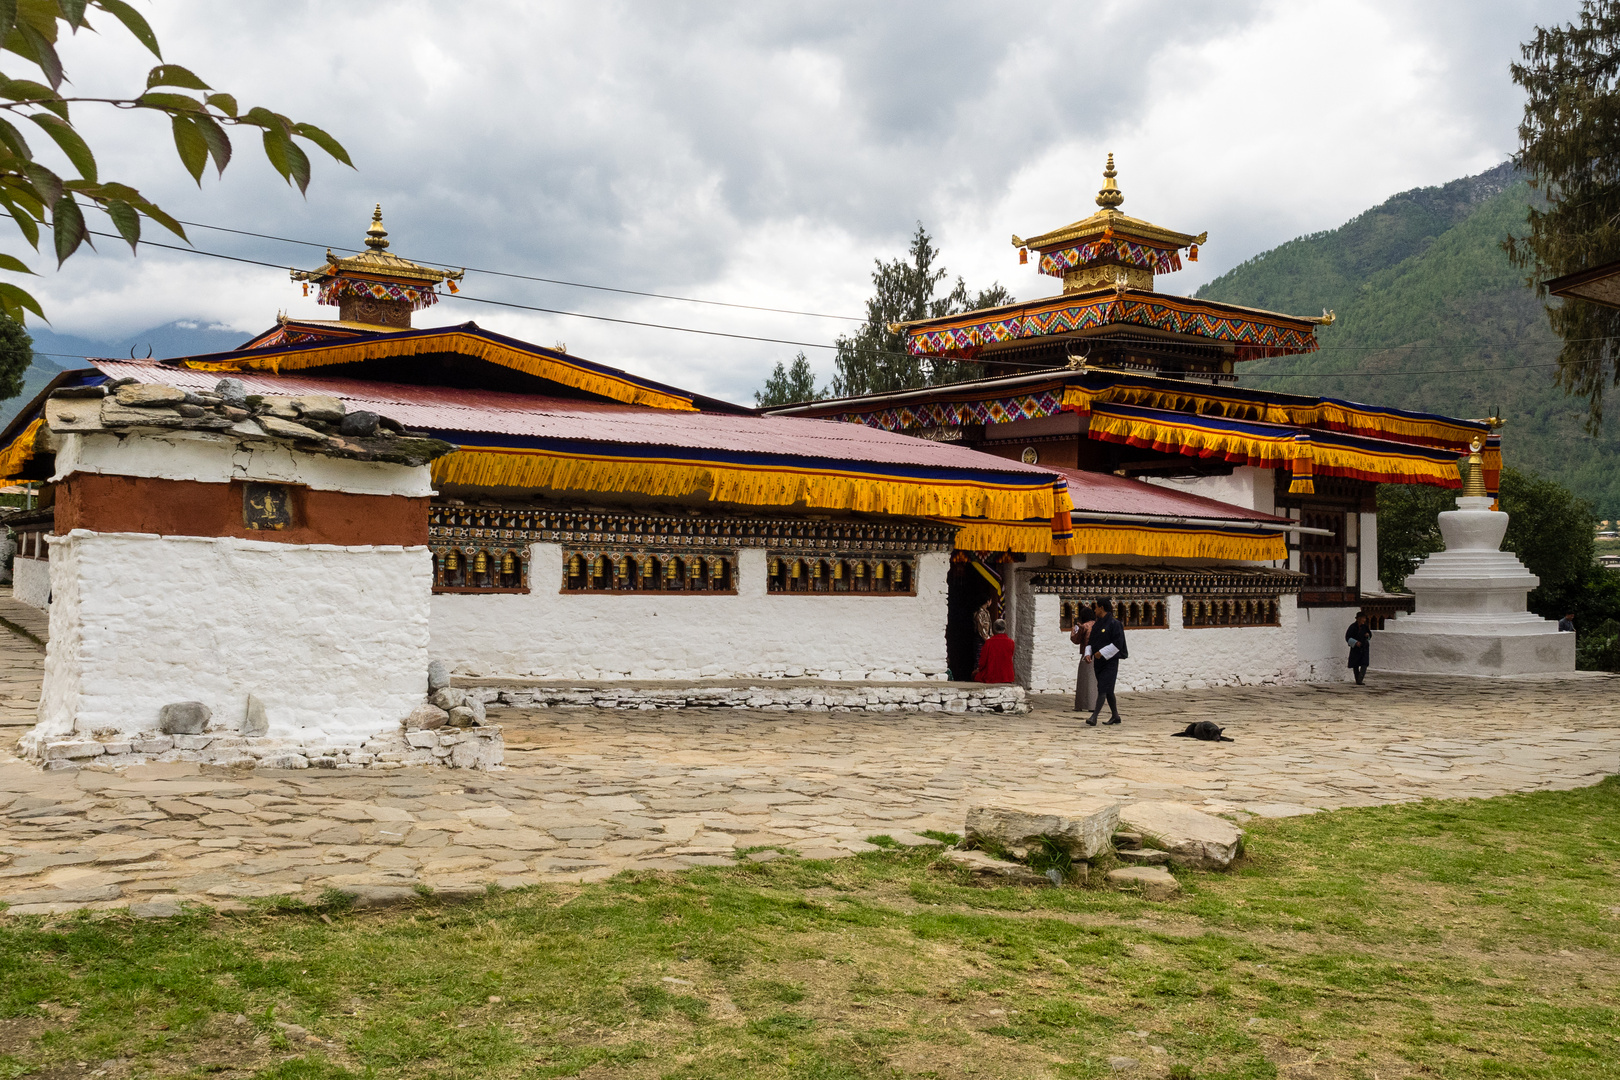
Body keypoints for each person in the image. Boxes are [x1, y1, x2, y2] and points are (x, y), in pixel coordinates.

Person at [1085, 598, 1127, 726]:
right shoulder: (1097, 624)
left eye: (1096, 607)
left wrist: (1102, 652)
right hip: (1098, 662)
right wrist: (1088, 653)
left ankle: (1094, 716)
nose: (1095, 610)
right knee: (1108, 690)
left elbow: (1118, 644)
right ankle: (1115, 716)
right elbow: (1091, 642)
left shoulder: (1115, 624)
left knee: (1103, 688)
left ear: (1102, 608)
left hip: (1110, 662)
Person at [1070, 609, 1097, 713]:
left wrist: (1077, 628)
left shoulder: (1084, 626)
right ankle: (1093, 704)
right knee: (1093, 681)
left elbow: (1075, 640)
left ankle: (1082, 704)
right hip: (1098, 654)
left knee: (1084, 680)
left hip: (1086, 655)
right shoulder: (1097, 624)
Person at [974, 619, 1016, 683]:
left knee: (975, 675)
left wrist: (978, 669)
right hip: (1007, 676)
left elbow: (982, 662)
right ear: (1005, 629)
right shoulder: (1011, 642)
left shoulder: (989, 643)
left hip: (991, 675)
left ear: (994, 629)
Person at [1345, 610, 1372, 685]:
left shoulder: (1365, 627)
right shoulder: (1352, 627)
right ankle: (1357, 680)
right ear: (1358, 619)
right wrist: (1355, 642)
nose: (1364, 620)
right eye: (1362, 618)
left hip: (1364, 647)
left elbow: (1369, 635)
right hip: (1356, 648)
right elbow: (1347, 637)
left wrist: (1368, 635)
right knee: (1355, 664)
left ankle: (1360, 679)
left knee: (1364, 663)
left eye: (1364, 618)